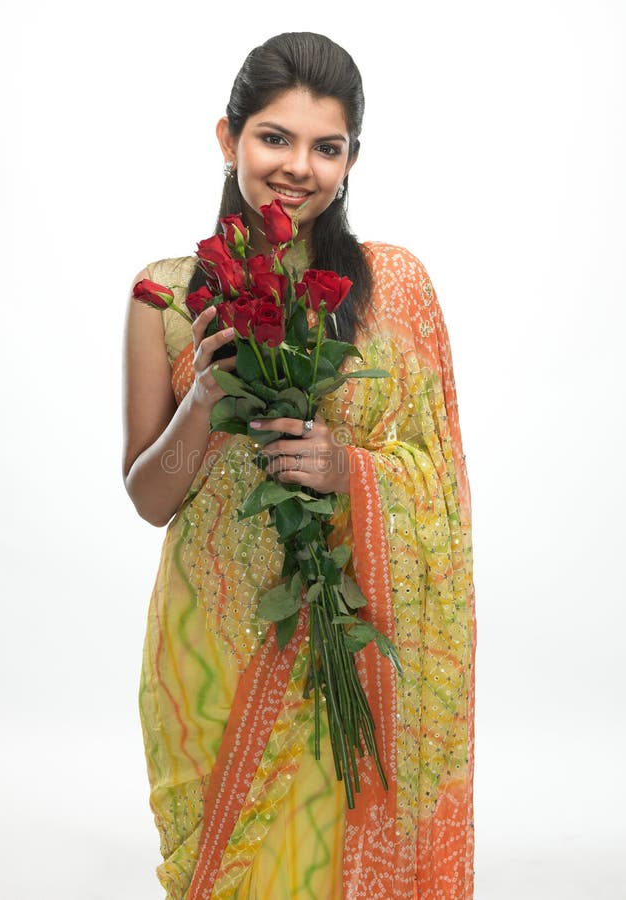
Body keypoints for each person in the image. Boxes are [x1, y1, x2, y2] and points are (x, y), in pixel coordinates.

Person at [122, 32, 475, 900]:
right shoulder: (165, 295)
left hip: (344, 643)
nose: (299, 168)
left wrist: (348, 470)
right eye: (274, 138)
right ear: (227, 137)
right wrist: (204, 396)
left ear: (352, 159)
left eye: (328, 147)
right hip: (211, 644)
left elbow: (439, 478)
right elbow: (148, 499)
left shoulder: (393, 288)